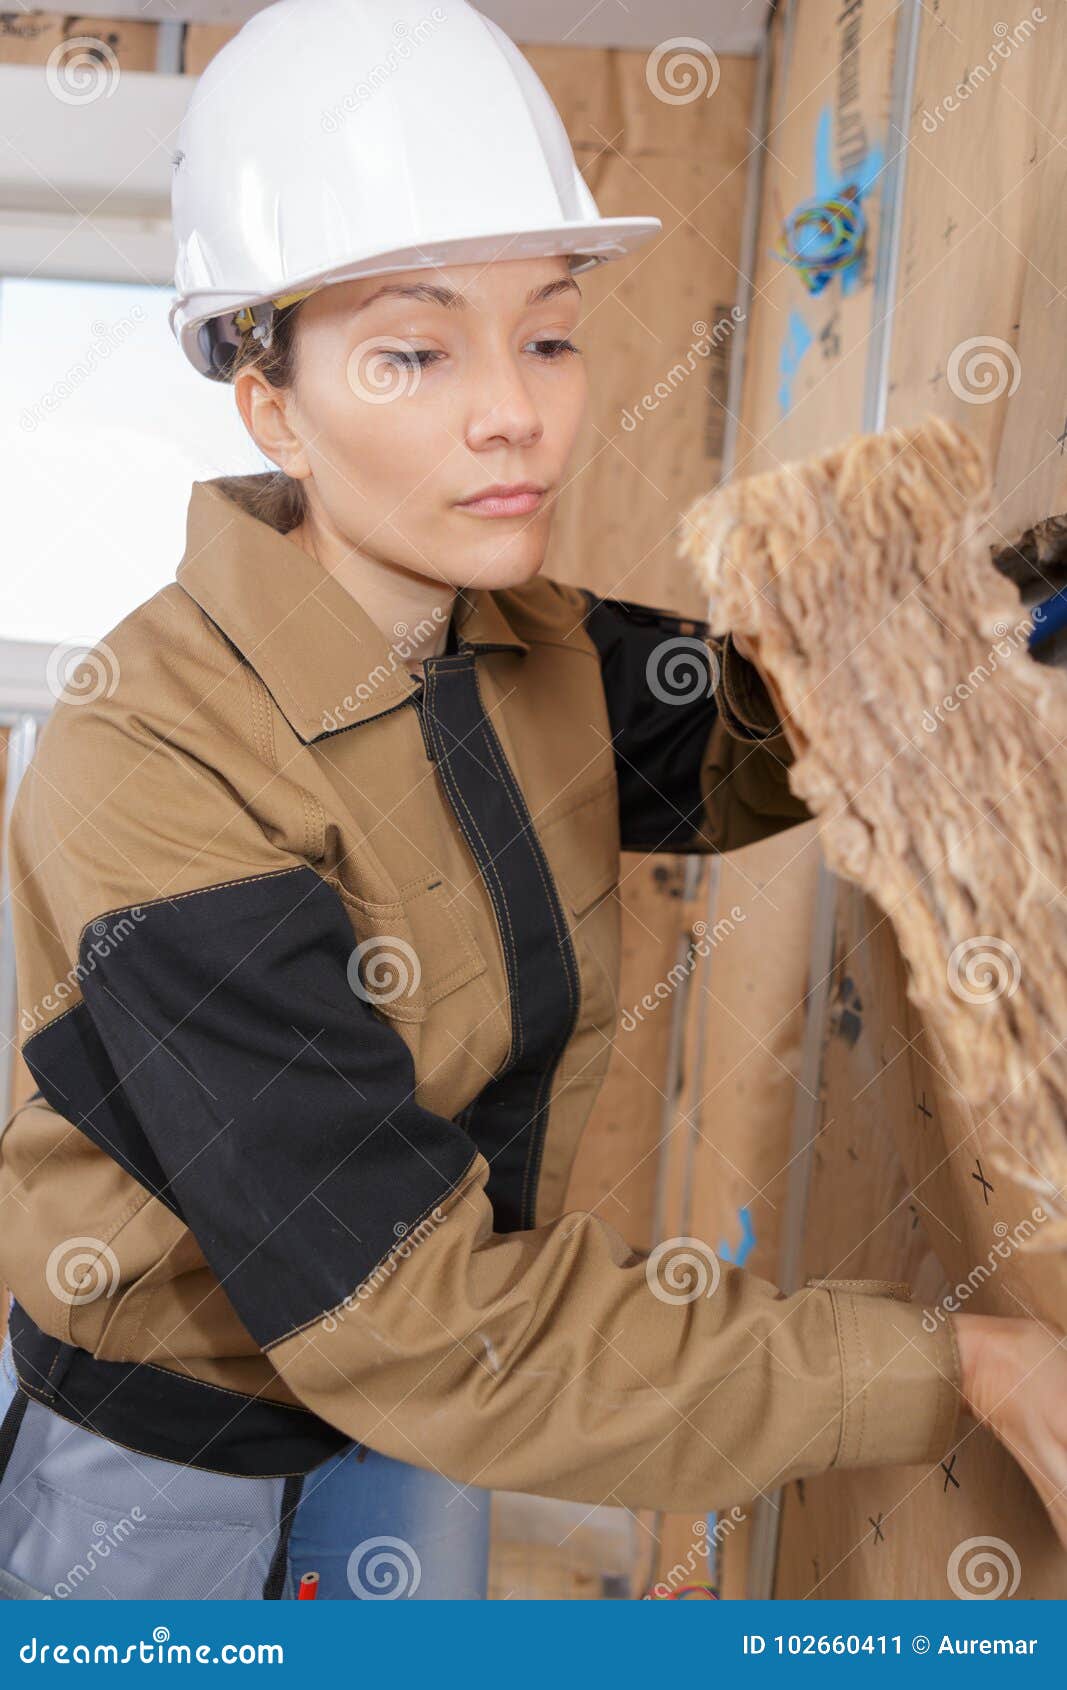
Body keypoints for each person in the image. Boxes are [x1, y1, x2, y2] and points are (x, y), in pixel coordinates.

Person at [0, 0, 1064, 1603]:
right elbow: (401, 1316)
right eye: (416, 348)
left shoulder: (527, 646)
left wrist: (1025, 599)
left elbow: (767, 733)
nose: (519, 409)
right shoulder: (154, 768)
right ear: (269, 396)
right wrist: (962, 1364)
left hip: (451, 1403)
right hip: (183, 1472)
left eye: (550, 330)